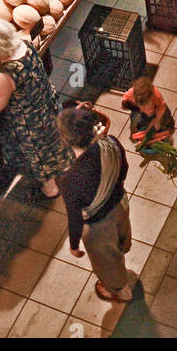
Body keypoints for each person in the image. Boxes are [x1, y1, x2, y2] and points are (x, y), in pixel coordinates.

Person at [0, 19, 66, 199]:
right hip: (46, 106)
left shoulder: (7, 74)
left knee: (40, 159)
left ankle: (50, 190)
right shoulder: (26, 45)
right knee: (53, 146)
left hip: (30, 126)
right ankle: (61, 166)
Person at [59, 104, 133, 303]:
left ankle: (120, 289)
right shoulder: (110, 143)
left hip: (100, 224)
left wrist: (74, 244)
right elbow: (124, 169)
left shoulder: (71, 180)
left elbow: (75, 219)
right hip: (120, 202)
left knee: (106, 260)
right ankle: (124, 248)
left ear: (66, 141)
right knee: (122, 236)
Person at [121, 76, 175, 156]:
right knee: (136, 118)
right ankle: (137, 132)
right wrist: (135, 107)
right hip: (139, 111)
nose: (145, 109)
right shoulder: (129, 95)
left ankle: (167, 129)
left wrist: (157, 120)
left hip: (156, 110)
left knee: (166, 117)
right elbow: (124, 105)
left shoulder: (156, 94)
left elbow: (161, 106)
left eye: (148, 105)